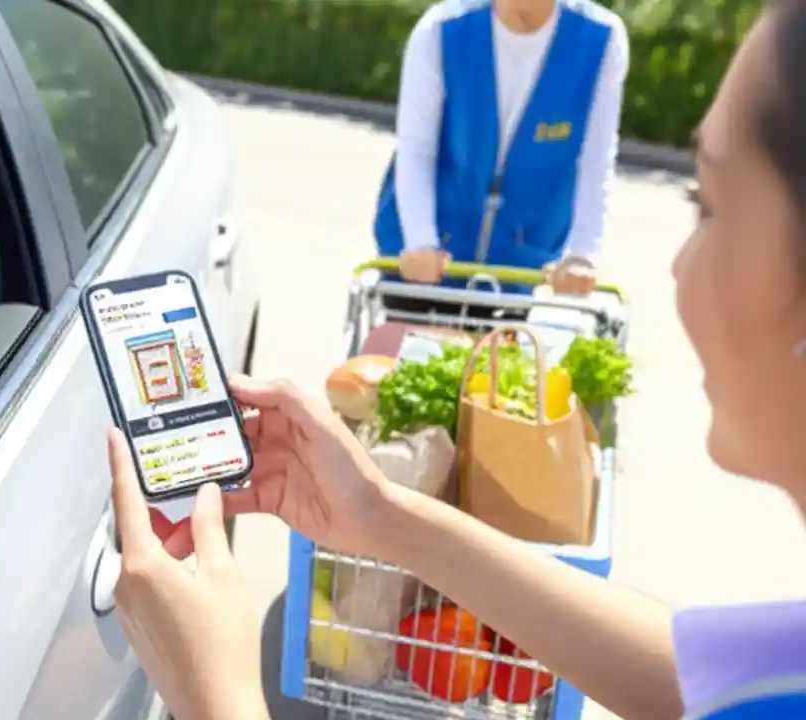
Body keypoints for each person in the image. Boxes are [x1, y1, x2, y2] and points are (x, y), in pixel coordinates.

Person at [106, 2, 806, 717]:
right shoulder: (785, 666)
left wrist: (212, 693)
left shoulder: (597, 40)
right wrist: (381, 514)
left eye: (706, 203)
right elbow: (699, 678)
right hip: (428, 270)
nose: (679, 267)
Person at [373, 0, 628, 296]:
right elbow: (417, 149)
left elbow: (596, 160)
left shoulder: (600, 39)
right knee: (407, 324)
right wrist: (420, 241)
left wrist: (583, 255)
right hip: (425, 254)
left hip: (520, 264)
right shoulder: (441, 29)